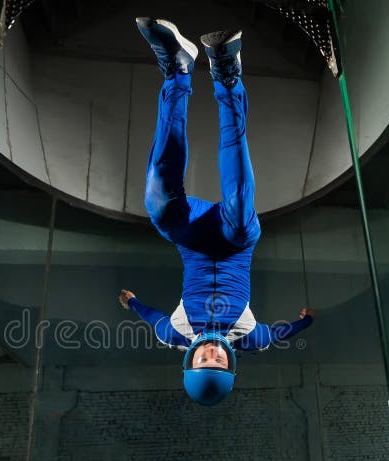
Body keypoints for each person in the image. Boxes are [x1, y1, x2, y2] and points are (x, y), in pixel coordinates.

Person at [119, 19, 315, 406]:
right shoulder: (252, 339)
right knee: (242, 201)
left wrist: (131, 303)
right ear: (230, 363)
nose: (211, 351)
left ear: (190, 360)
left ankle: (177, 72)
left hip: (190, 239)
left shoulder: (172, 334)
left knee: (158, 197)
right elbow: (283, 332)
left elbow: (149, 315)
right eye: (219, 360)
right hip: (233, 241)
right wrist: (306, 320)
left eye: (203, 359)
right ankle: (228, 77)